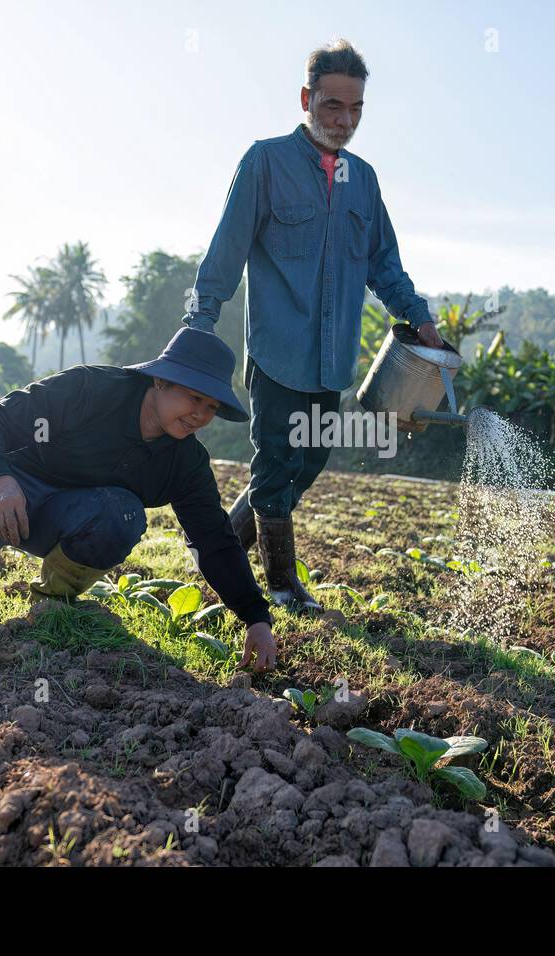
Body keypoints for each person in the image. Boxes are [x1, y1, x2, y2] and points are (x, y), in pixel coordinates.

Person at [182, 38, 444, 609]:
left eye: (355, 110)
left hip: (334, 357)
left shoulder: (364, 181)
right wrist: (200, 320)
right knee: (276, 463)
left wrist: (418, 319)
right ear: (306, 98)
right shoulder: (265, 162)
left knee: (311, 458)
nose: (344, 121)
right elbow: (226, 250)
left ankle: (221, 546)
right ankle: (280, 587)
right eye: (332, 107)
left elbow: (384, 265)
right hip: (277, 350)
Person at [0, 327, 278, 672]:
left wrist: (256, 617)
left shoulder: (185, 463)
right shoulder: (90, 389)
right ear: (159, 380)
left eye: (212, 406)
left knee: (123, 515)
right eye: (194, 398)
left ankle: (54, 600)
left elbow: (213, 539)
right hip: (13, 494)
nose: (201, 415)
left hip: (69, 519)